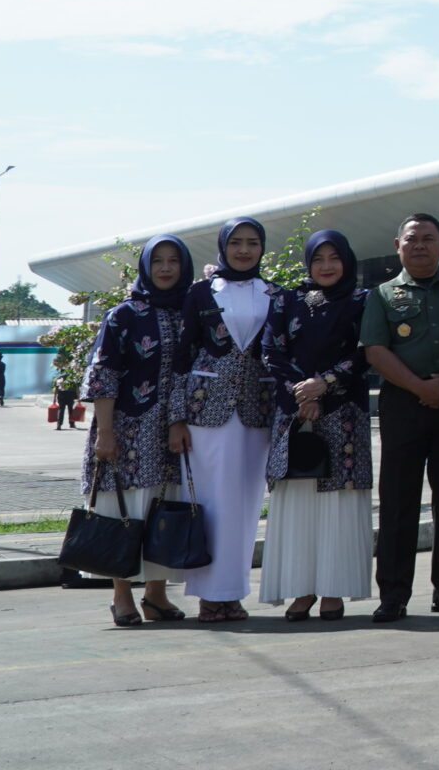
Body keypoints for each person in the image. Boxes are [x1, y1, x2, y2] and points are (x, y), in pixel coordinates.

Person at [359, 213, 439, 623]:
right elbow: (375, 351)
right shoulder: (382, 295)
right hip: (404, 405)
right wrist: (420, 387)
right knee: (398, 503)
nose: (420, 245)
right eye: (412, 239)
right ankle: (393, 594)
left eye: (429, 238)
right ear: (397, 245)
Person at [169, 218, 280, 622]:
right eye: (236, 243)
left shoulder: (274, 293)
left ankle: (231, 594)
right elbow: (181, 357)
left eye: (253, 243)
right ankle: (207, 597)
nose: (244, 250)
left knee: (246, 504)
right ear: (223, 246)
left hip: (256, 411)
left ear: (262, 248)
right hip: (205, 412)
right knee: (209, 504)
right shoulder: (200, 292)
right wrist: (175, 419)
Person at [82, 234, 195, 626]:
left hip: (174, 429)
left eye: (173, 261)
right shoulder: (123, 315)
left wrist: (179, 420)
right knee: (123, 509)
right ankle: (121, 596)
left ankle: (157, 596)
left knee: (164, 508)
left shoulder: (190, 312)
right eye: (157, 261)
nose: (165, 268)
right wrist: (106, 432)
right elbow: (103, 374)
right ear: (145, 267)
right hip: (126, 428)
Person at [261, 229, 373, 621]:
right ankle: (302, 589)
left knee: (337, 501)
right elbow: (271, 350)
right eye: (318, 258)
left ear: (347, 260)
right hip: (294, 412)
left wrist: (323, 385)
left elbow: (367, 352)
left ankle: (333, 590)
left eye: (334, 258)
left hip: (344, 413)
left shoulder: (362, 300)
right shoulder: (286, 299)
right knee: (299, 501)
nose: (326, 266)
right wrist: (302, 393)